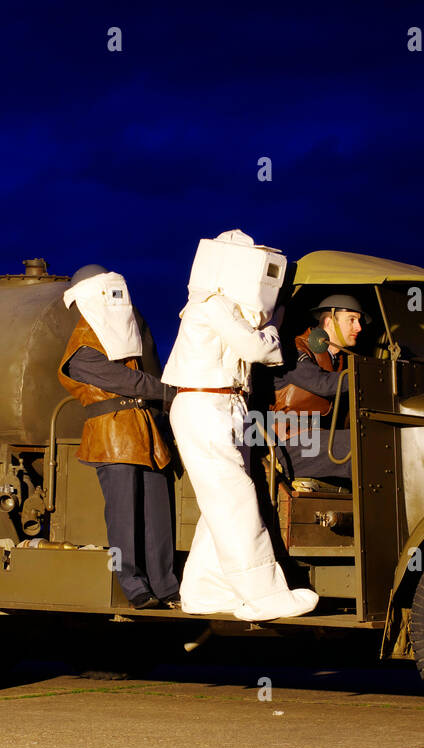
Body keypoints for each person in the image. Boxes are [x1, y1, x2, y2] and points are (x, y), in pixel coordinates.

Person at [161, 230, 319, 621]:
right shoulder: (212, 304)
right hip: (205, 404)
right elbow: (259, 348)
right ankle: (265, 596)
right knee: (236, 500)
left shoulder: (222, 306)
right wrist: (274, 325)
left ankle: (203, 592)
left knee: (222, 504)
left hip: (224, 405)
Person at [57, 264, 180, 610]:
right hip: (112, 432)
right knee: (124, 516)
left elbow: (147, 372)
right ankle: (133, 584)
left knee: (158, 514)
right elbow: (126, 380)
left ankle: (166, 584)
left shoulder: (131, 332)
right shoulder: (83, 342)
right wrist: (165, 391)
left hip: (146, 430)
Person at [268, 294, 364, 480]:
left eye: (358, 321)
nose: (358, 328)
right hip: (287, 444)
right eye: (351, 320)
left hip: (315, 440)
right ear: (328, 322)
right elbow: (323, 384)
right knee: (360, 444)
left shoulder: (340, 361)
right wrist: (367, 376)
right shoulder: (293, 351)